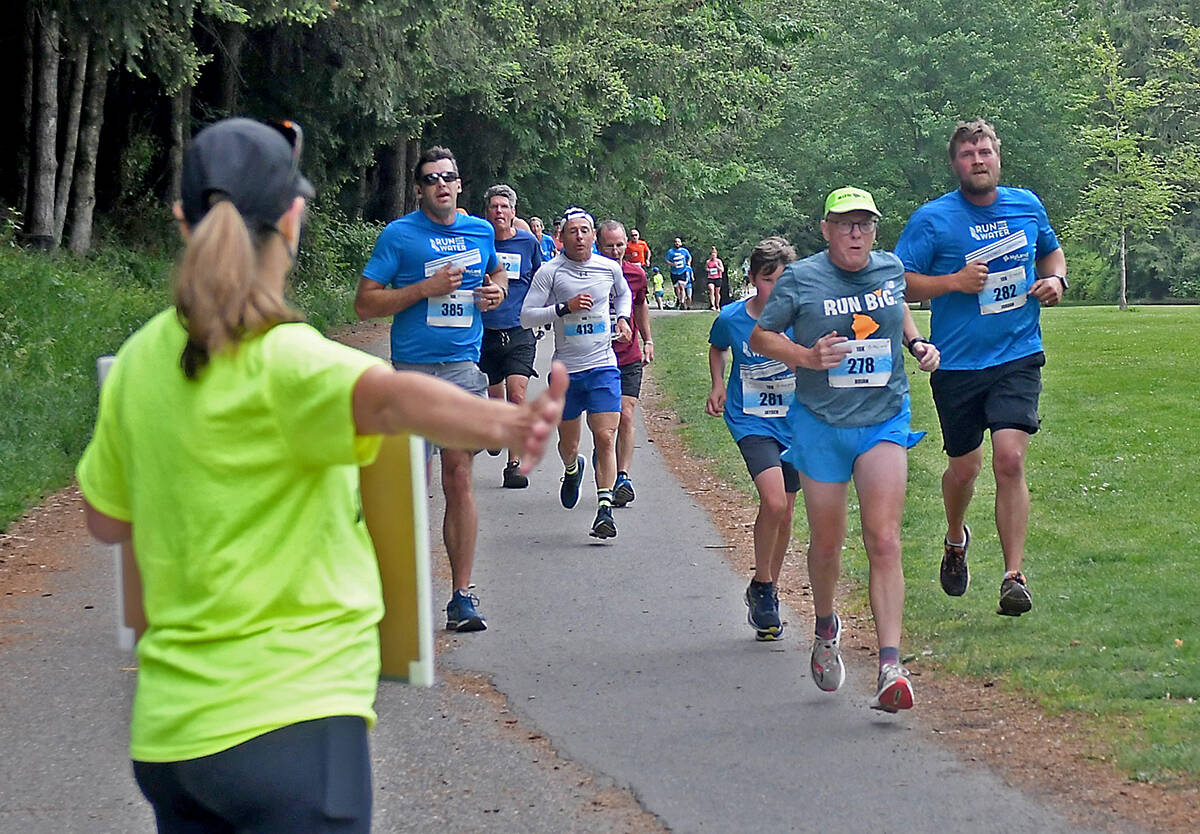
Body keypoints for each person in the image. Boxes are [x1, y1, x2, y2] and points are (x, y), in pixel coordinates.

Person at [75, 118, 567, 833]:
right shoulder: (290, 358)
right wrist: (508, 425)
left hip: (168, 740)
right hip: (290, 725)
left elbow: (105, 520)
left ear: (182, 220)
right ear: (295, 218)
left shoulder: (142, 358)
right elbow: (391, 396)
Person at [750, 187, 940, 713]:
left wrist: (918, 344)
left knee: (883, 539)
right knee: (828, 545)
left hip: (883, 419)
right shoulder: (801, 279)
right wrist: (807, 358)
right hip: (821, 425)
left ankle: (889, 665)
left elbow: (898, 309)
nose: (856, 233)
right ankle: (826, 626)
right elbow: (762, 339)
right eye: (846, 224)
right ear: (826, 228)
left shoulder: (889, 269)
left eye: (865, 224)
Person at [895, 119, 1066, 617]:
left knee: (1010, 460)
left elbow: (1051, 253)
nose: (977, 160)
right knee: (964, 469)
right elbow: (900, 284)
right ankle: (955, 537)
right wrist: (953, 282)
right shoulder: (932, 220)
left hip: (1016, 354)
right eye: (968, 154)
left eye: (984, 151)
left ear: (997, 157)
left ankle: (1014, 575)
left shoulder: (1026, 204)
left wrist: (1056, 280)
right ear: (955, 165)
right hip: (958, 364)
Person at [354, 146, 508, 633]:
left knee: (459, 477)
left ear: (460, 184)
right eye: (431, 178)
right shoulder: (399, 236)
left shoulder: (480, 231)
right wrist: (424, 289)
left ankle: (462, 596)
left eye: (450, 176)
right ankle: (397, 596)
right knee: (409, 488)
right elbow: (365, 304)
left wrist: (496, 290)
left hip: (463, 369)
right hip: (413, 373)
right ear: (419, 188)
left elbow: (494, 271)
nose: (442, 184)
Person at [706, 237, 800, 641]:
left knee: (787, 511)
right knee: (774, 500)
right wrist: (717, 385)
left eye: (783, 281)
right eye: (767, 280)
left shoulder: (803, 317)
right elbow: (717, 348)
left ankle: (767, 590)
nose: (775, 290)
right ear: (752, 279)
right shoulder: (733, 318)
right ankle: (763, 583)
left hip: (796, 423)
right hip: (751, 421)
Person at [522, 207, 633, 538]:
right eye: (573, 231)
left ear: (593, 235)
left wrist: (623, 318)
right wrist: (563, 308)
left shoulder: (608, 268)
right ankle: (572, 469)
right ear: (562, 237)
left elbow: (624, 293)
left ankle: (604, 509)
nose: (580, 236)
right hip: (566, 372)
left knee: (605, 436)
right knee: (569, 445)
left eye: (585, 230)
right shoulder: (551, 272)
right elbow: (527, 316)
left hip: (603, 366)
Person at [480, 184, 543, 488]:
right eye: (494, 207)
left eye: (504, 207)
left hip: (520, 329)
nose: (499, 212)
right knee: (496, 397)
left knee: (517, 395)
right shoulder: (479, 241)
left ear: (513, 212)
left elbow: (540, 278)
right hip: (486, 329)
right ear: (487, 211)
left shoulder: (528, 243)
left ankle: (513, 465)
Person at [597, 219, 654, 508]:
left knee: (627, 413)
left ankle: (623, 477)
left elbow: (641, 305)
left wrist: (648, 340)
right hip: (594, 356)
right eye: (610, 246)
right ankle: (603, 453)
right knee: (607, 425)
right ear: (599, 245)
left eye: (620, 245)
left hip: (627, 355)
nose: (617, 250)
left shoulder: (635, 274)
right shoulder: (588, 273)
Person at [665, 236, 692, 308]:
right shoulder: (670, 252)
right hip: (674, 272)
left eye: (678, 242)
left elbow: (689, 257)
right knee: (676, 288)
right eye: (676, 242)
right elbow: (667, 260)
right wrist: (672, 264)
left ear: (681, 243)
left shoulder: (684, 251)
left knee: (682, 286)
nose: (677, 243)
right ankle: (679, 299)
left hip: (682, 271)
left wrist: (688, 263)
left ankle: (682, 302)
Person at [705, 246, 725, 311]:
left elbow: (722, 270)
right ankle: (712, 305)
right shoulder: (708, 262)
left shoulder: (719, 261)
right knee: (711, 289)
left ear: (716, 255)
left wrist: (717, 266)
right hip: (710, 277)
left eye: (714, 255)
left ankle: (717, 305)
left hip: (718, 278)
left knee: (717, 292)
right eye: (712, 255)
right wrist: (709, 270)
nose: (713, 256)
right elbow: (706, 268)